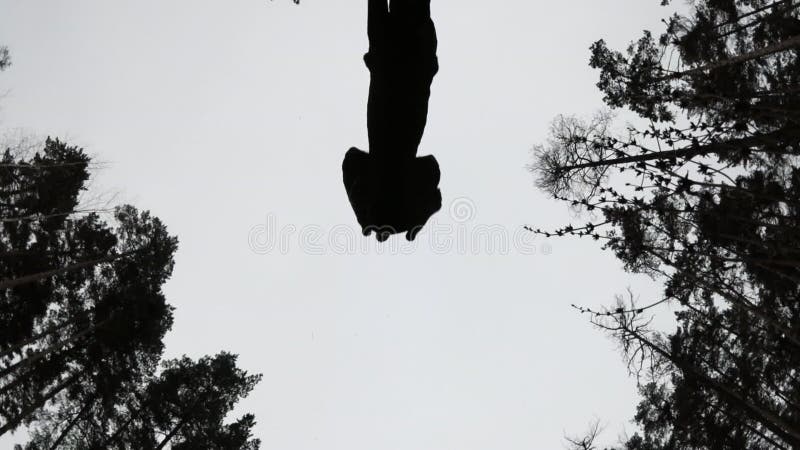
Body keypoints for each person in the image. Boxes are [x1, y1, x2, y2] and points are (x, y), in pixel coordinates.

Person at [342, 0, 442, 242]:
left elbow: (431, 172)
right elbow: (351, 160)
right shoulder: (374, 171)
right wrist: (363, 215)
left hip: (405, 64)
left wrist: (418, 214)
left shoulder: (407, 171)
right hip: (395, 61)